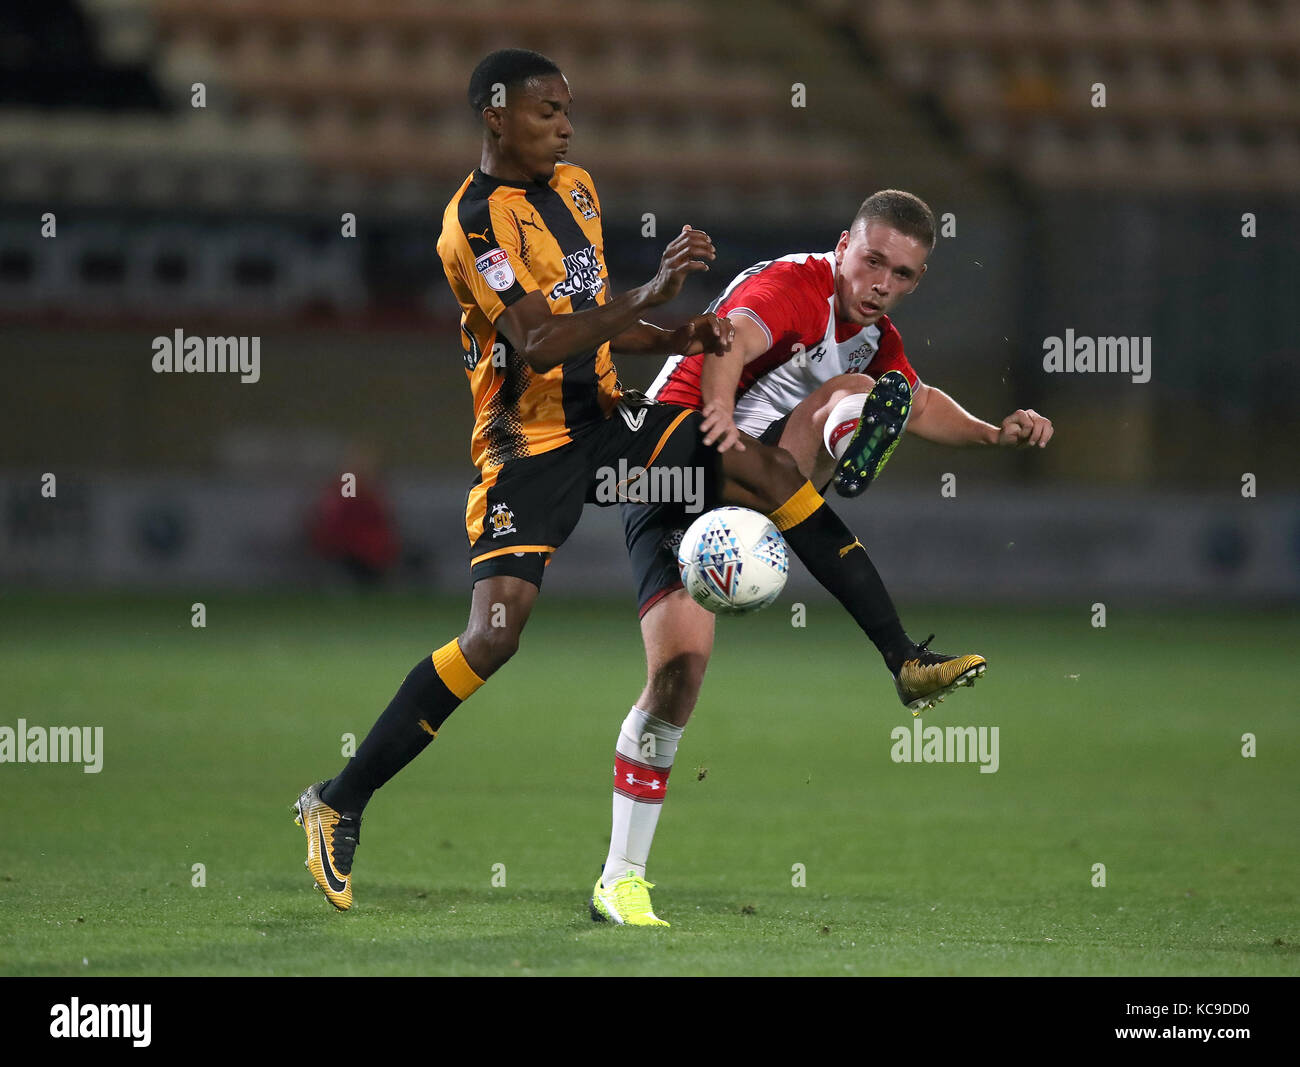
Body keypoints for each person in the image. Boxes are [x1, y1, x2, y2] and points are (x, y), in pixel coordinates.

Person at [294, 50, 981, 913]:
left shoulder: (576, 190)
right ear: (495, 118)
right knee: (493, 637)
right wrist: (654, 290)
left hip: (609, 423)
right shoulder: (472, 223)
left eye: (568, 110)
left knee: (766, 466)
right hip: (527, 448)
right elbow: (541, 341)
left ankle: (902, 657)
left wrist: (675, 335)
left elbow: (593, 325)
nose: (566, 127)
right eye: (547, 112)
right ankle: (338, 799)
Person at [593, 190, 1052, 927]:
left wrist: (994, 433)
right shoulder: (794, 283)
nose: (881, 284)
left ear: (916, 280)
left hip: (749, 481)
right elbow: (728, 340)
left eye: (902, 274)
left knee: (681, 676)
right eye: (873, 261)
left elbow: (920, 401)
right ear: (843, 245)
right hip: (673, 458)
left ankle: (618, 881)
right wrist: (718, 412)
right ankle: (898, 644)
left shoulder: (874, 337)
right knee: (677, 673)